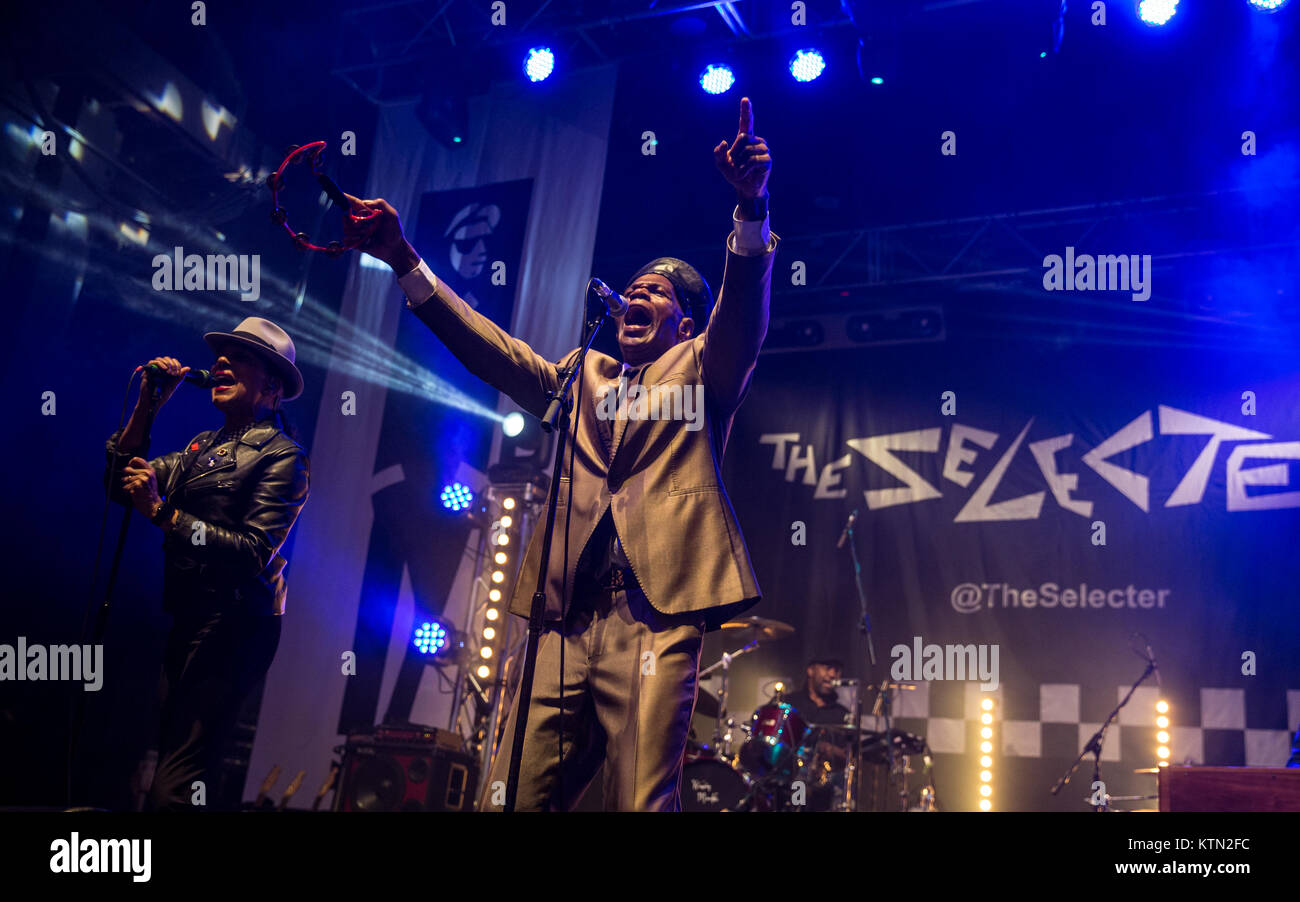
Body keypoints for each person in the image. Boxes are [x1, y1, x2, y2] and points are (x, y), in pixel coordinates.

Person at [347, 96, 777, 811]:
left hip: (654, 614)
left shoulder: (706, 366)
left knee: (640, 800)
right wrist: (404, 260)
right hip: (561, 617)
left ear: (686, 322)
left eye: (657, 293)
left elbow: (744, 311)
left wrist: (751, 209)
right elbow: (495, 351)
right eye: (632, 288)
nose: (636, 294)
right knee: (513, 796)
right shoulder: (586, 373)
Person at [105, 316, 310, 811]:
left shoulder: (283, 457)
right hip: (190, 617)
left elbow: (250, 551)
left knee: (179, 777)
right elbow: (120, 482)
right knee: (177, 761)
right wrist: (147, 407)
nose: (220, 361)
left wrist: (162, 513)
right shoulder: (200, 448)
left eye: (239, 357)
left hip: (238, 625)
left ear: (273, 386)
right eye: (220, 355)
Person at [781, 658, 851, 726]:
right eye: (827, 668)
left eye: (836, 670)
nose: (832, 674)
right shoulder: (787, 703)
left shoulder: (842, 714)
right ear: (810, 670)